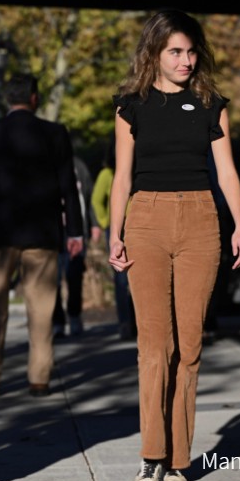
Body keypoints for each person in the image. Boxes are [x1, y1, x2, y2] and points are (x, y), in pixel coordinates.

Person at [108, 10, 240, 481]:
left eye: (191, 52)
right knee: (155, 347)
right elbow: (122, 177)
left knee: (189, 346)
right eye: (175, 52)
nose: (185, 60)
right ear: (154, 53)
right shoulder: (130, 106)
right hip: (146, 220)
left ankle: (177, 460)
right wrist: (114, 233)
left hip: (200, 221)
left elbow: (226, 171)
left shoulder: (211, 104)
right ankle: (152, 457)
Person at [0, 73, 83, 398]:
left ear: (8, 99)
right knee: (41, 310)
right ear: (34, 98)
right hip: (42, 233)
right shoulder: (55, 133)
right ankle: (39, 379)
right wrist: (75, 231)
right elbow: (68, 187)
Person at [91, 140, 135, 340]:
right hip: (118, 227)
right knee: (121, 279)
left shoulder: (136, 171)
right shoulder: (107, 174)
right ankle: (125, 322)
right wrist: (105, 222)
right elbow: (96, 200)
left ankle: (137, 321)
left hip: (137, 225)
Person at [53, 154, 100, 338]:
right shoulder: (46, 164)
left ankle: (74, 315)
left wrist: (94, 224)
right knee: (53, 278)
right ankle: (57, 321)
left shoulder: (78, 166)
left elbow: (89, 197)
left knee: (75, 275)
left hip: (77, 230)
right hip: (54, 232)